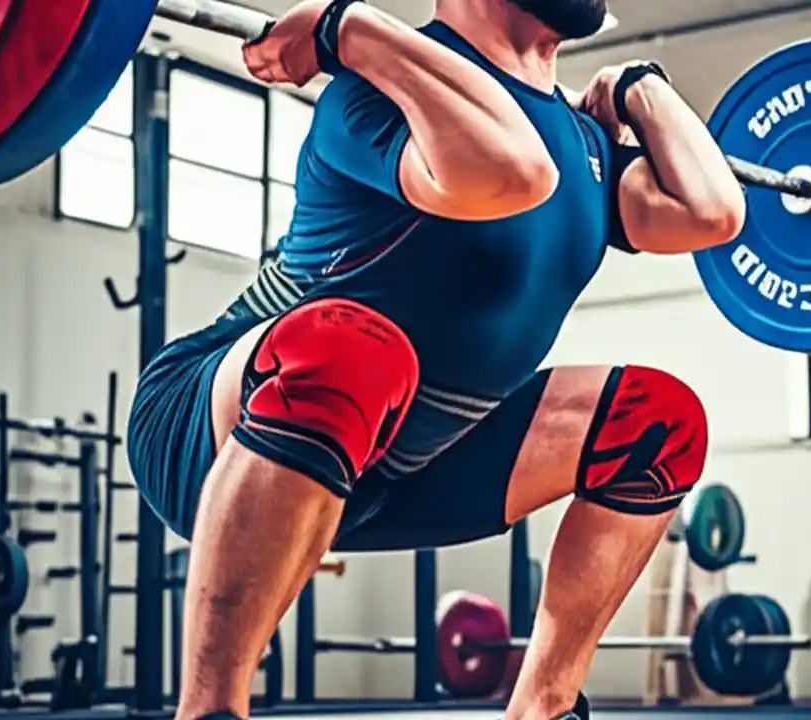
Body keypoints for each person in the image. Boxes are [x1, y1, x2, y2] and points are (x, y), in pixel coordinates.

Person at [126, 0, 745, 718]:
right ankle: (210, 709)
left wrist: (641, 86)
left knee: (659, 422)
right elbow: (510, 174)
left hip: (411, 456)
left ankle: (544, 705)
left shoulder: (584, 143)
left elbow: (714, 213)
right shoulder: (376, 90)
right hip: (214, 428)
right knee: (360, 352)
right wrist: (351, 31)